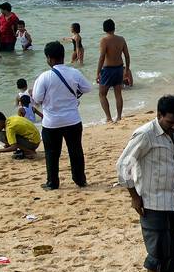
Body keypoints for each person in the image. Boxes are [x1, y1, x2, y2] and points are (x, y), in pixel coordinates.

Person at [116, 95, 174, 272]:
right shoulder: (145, 135)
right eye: (170, 122)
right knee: (157, 251)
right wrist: (134, 197)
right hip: (152, 203)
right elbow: (123, 166)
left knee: (171, 246)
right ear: (159, 115)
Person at [31, 41, 93, 190]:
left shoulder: (44, 77)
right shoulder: (74, 73)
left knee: (52, 153)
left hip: (52, 122)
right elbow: (87, 88)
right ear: (63, 56)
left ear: (50, 58)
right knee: (76, 151)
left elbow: (37, 98)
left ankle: (53, 182)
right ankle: (80, 180)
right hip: (72, 120)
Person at [96, 18, 131, 124]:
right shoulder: (121, 39)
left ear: (104, 29)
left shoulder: (104, 40)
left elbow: (102, 57)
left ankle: (109, 118)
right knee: (118, 94)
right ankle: (119, 117)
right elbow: (127, 56)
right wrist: (127, 69)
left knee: (102, 94)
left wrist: (97, 72)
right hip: (119, 68)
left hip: (108, 70)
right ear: (114, 27)